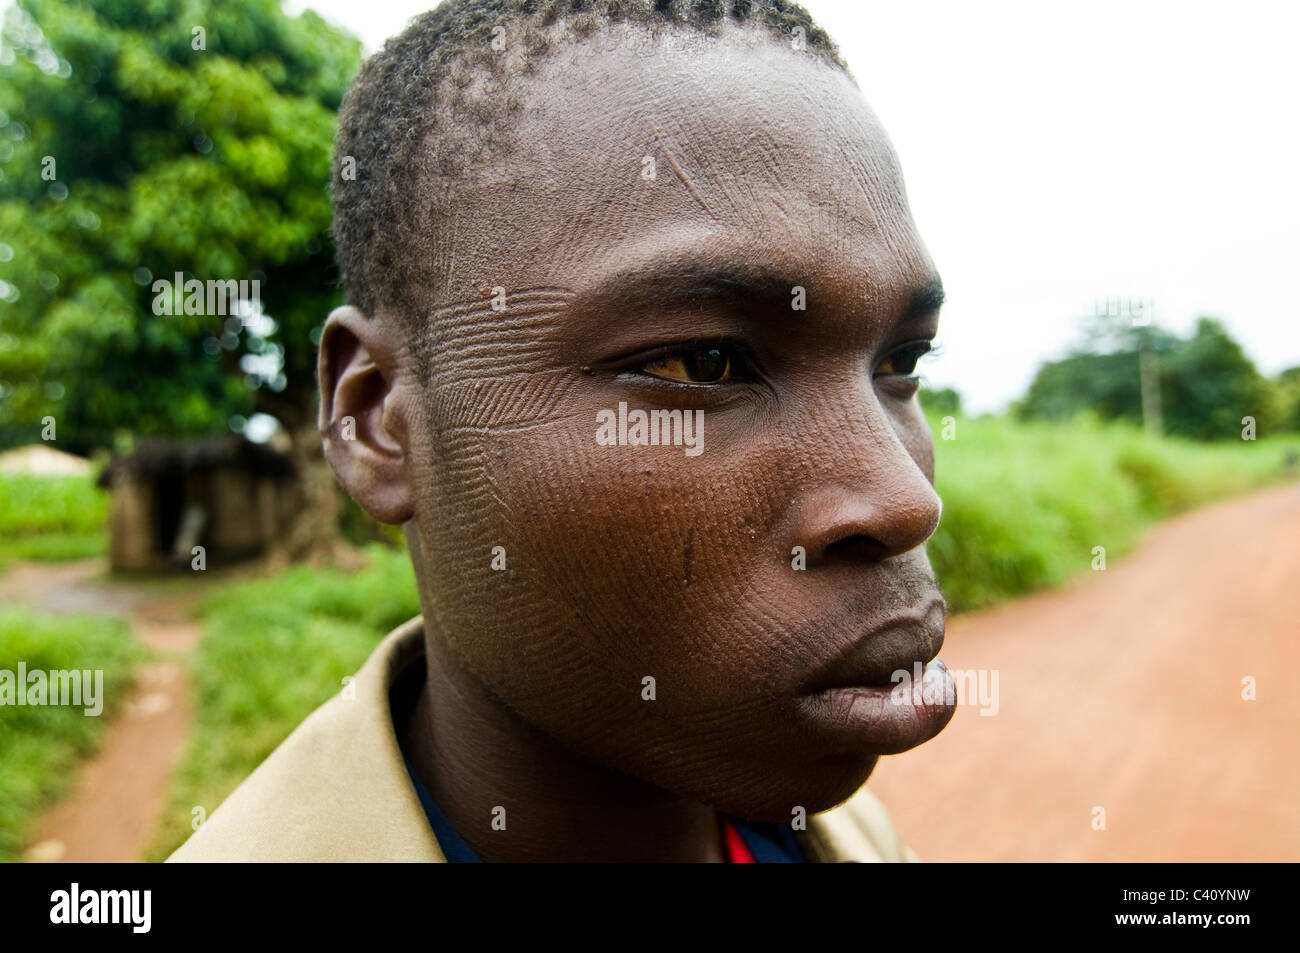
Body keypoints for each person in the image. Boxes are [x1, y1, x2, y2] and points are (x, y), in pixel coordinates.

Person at [170, 0, 956, 863]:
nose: (906, 499)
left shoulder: (851, 844)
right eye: (704, 363)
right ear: (375, 420)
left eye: (900, 360)